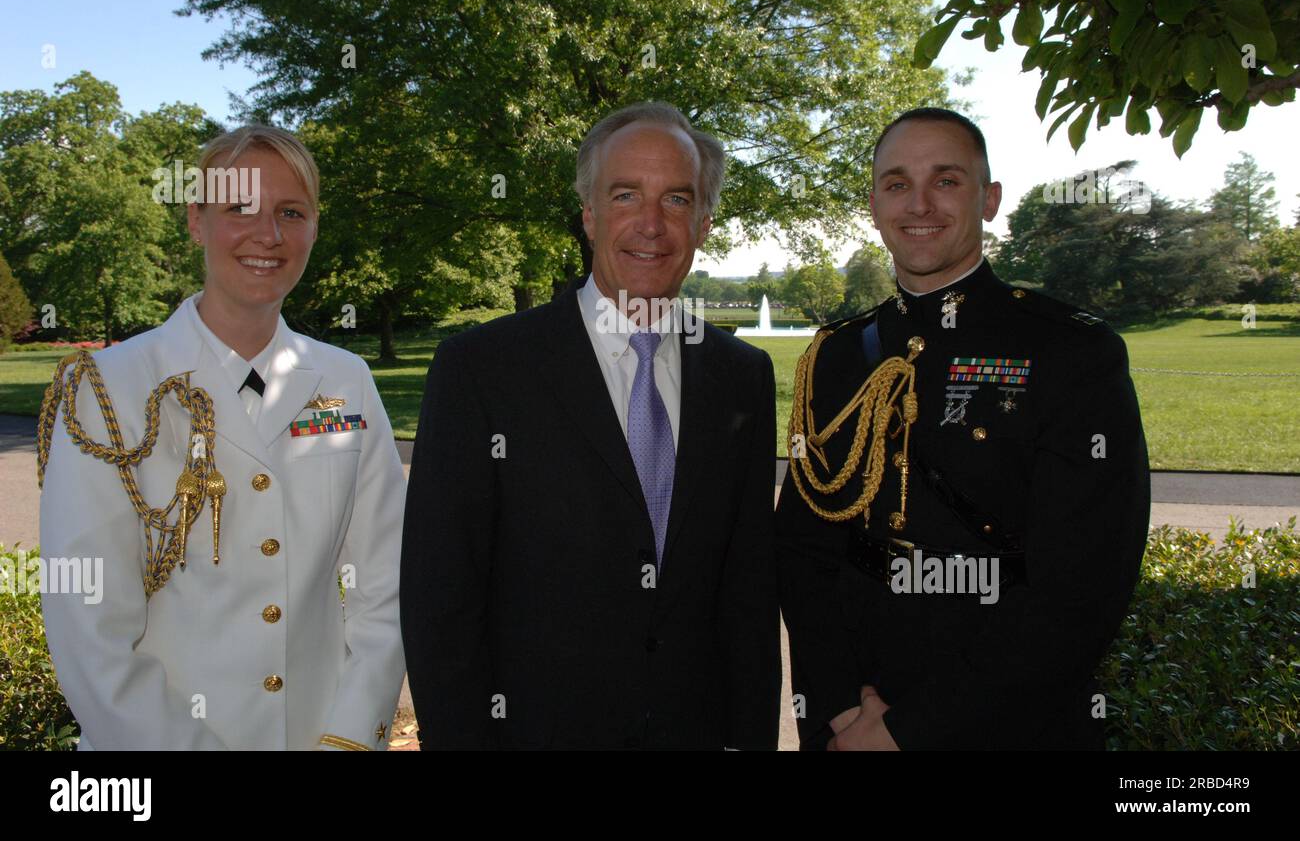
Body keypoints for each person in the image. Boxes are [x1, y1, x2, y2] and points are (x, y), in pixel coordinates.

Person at [401, 101, 780, 750]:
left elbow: (747, 599)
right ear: (589, 214)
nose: (652, 224)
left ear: (705, 221)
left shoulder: (741, 377)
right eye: (626, 194)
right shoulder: (482, 370)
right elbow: (441, 605)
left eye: (678, 199)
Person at [777, 107, 1150, 750]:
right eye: (896, 183)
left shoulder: (1069, 353)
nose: (919, 203)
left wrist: (907, 733)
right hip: (854, 702)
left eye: (945, 180)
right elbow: (802, 552)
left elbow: (1083, 589)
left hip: (1001, 712)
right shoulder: (836, 356)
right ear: (873, 205)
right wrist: (841, 708)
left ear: (990, 200)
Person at [38, 125, 407, 750]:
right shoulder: (107, 388)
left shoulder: (346, 383)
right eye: (239, 209)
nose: (268, 235)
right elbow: (88, 622)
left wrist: (347, 738)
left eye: (291, 212)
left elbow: (389, 582)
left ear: (315, 228)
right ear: (196, 221)